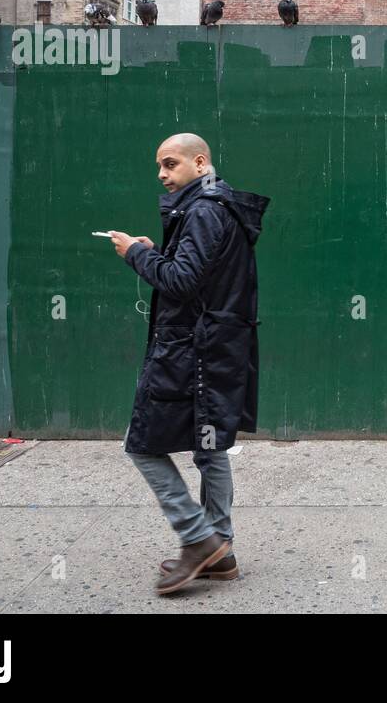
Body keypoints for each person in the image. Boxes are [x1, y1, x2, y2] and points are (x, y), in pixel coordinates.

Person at [105, 133, 270, 595]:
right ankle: (223, 550)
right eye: (159, 166)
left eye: (170, 164)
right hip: (217, 346)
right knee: (210, 447)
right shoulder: (221, 207)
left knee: (141, 445)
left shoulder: (201, 211)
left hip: (191, 351)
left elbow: (180, 282)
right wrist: (153, 252)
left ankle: (199, 540)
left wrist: (137, 255)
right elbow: (197, 275)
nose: (162, 174)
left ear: (200, 163)